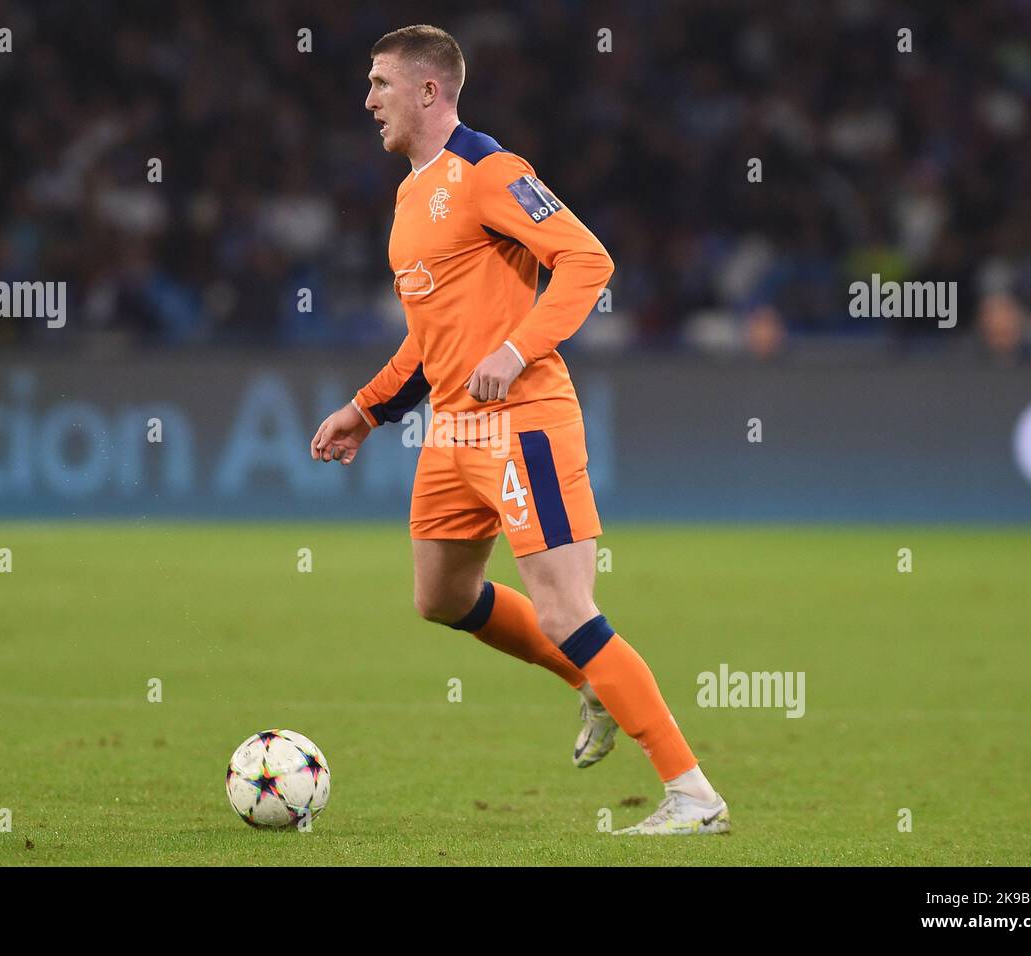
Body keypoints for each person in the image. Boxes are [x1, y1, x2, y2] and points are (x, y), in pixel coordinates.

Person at [310, 24, 728, 835]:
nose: (367, 102)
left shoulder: (491, 171)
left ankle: (693, 795)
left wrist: (517, 345)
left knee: (568, 609)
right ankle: (588, 683)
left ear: (430, 90)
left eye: (380, 84)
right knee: (441, 596)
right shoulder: (407, 198)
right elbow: (430, 342)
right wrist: (366, 410)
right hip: (450, 435)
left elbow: (589, 260)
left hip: (522, 424)